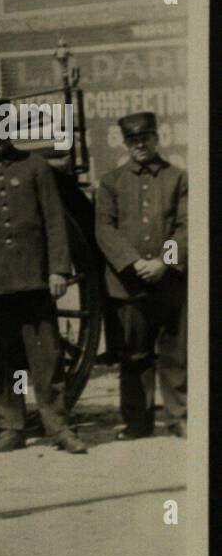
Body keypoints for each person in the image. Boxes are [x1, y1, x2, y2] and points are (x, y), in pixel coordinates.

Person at [0, 136, 87, 454]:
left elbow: (55, 220)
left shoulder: (36, 167)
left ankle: (58, 425)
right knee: (3, 357)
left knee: (47, 356)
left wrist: (58, 269)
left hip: (35, 277)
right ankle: (10, 426)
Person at [94, 112, 187, 439]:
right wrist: (133, 263)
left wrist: (165, 261)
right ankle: (137, 421)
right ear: (126, 144)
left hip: (170, 281)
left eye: (145, 138)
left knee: (175, 353)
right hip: (128, 284)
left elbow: (186, 225)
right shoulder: (111, 182)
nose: (140, 146)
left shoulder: (178, 178)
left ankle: (179, 418)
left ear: (156, 138)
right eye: (133, 141)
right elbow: (104, 228)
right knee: (134, 354)